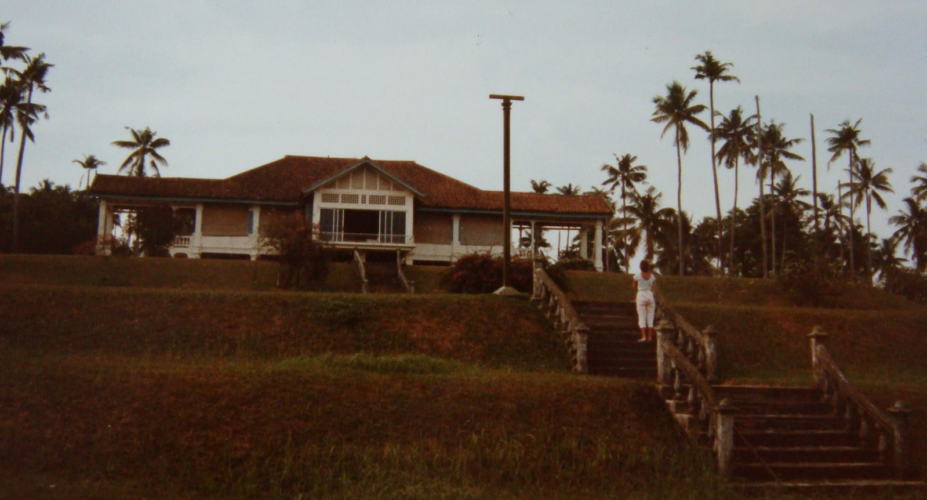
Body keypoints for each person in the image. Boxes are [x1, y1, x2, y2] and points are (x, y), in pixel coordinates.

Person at [633, 260, 656, 342]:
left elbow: (634, 286)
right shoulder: (652, 276)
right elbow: (653, 287)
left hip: (641, 294)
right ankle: (649, 336)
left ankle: (643, 336)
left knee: (642, 316)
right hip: (649, 295)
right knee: (650, 316)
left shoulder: (637, 276)